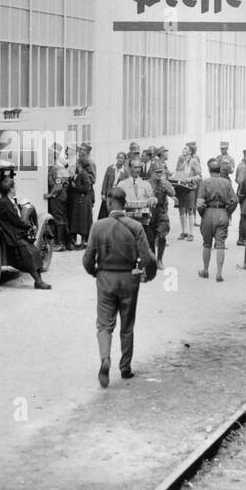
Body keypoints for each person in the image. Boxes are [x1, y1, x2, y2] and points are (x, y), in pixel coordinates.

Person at [82, 186, 156, 387]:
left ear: (109, 203)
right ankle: (125, 368)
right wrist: (148, 275)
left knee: (104, 325)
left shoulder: (98, 226)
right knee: (127, 325)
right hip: (129, 279)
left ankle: (105, 358)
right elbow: (147, 256)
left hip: (105, 278)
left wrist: (94, 271)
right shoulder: (135, 226)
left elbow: (88, 257)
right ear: (125, 204)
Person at [0, 177, 52, 289]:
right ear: (11, 189)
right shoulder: (5, 203)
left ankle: (39, 281)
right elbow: (16, 220)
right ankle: (38, 281)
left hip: (15, 232)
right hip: (11, 235)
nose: (15, 189)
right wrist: (30, 226)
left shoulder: (9, 201)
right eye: (14, 187)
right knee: (29, 253)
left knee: (34, 251)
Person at [196, 159, 238, 281]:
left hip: (208, 213)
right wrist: (228, 212)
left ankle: (205, 270)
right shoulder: (226, 183)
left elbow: (199, 204)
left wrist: (203, 213)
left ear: (209, 171)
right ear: (219, 170)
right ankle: (219, 274)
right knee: (220, 244)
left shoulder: (205, 182)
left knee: (207, 244)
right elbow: (235, 200)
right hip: (222, 213)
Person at [116, 157, 157, 254]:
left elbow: (152, 197)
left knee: (146, 244)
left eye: (139, 167)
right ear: (129, 168)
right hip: (128, 221)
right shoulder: (122, 184)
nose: (137, 170)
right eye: (135, 167)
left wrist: (153, 199)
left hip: (143, 221)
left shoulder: (145, 184)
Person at [67, 144, 96, 248]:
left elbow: (93, 179)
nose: (81, 152)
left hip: (85, 191)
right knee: (75, 216)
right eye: (80, 150)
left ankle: (86, 240)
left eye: (83, 150)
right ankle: (73, 240)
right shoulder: (77, 161)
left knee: (85, 217)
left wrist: (81, 178)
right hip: (76, 192)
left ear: (87, 152)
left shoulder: (90, 162)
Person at [173, 142, 202, 241]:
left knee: (190, 209)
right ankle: (184, 232)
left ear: (190, 151)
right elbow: (177, 173)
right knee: (181, 209)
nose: (183, 150)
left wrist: (190, 179)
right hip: (180, 187)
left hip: (189, 188)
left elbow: (199, 176)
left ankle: (191, 233)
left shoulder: (194, 161)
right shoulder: (180, 160)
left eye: (185, 148)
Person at [148, 164, 173, 266]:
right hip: (150, 212)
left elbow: (172, 193)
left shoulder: (164, 183)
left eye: (160, 172)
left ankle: (159, 259)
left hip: (161, 212)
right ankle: (153, 259)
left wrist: (166, 185)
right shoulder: (147, 184)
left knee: (162, 235)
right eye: (157, 172)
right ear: (152, 173)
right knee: (150, 238)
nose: (159, 174)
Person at [46, 149, 71, 251]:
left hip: (58, 196)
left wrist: (51, 195)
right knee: (62, 218)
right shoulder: (57, 168)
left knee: (58, 219)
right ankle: (64, 243)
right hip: (61, 196)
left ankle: (60, 243)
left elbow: (58, 185)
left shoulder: (56, 169)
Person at [99, 152, 127, 220]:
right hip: (108, 192)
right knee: (104, 213)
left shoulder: (126, 172)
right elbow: (105, 181)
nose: (120, 159)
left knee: (114, 212)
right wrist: (103, 193)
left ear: (124, 160)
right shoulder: (110, 168)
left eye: (122, 158)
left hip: (117, 194)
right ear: (117, 158)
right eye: (119, 157)